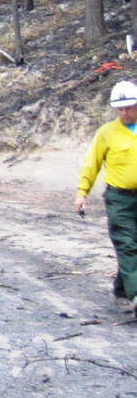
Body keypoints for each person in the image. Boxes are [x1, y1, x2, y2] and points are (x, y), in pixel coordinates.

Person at [73, 80, 137, 320]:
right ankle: (135, 295)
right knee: (126, 245)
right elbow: (92, 163)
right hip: (120, 199)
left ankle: (122, 289)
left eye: (129, 107)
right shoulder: (107, 133)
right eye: (119, 109)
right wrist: (82, 192)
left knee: (133, 249)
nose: (124, 113)